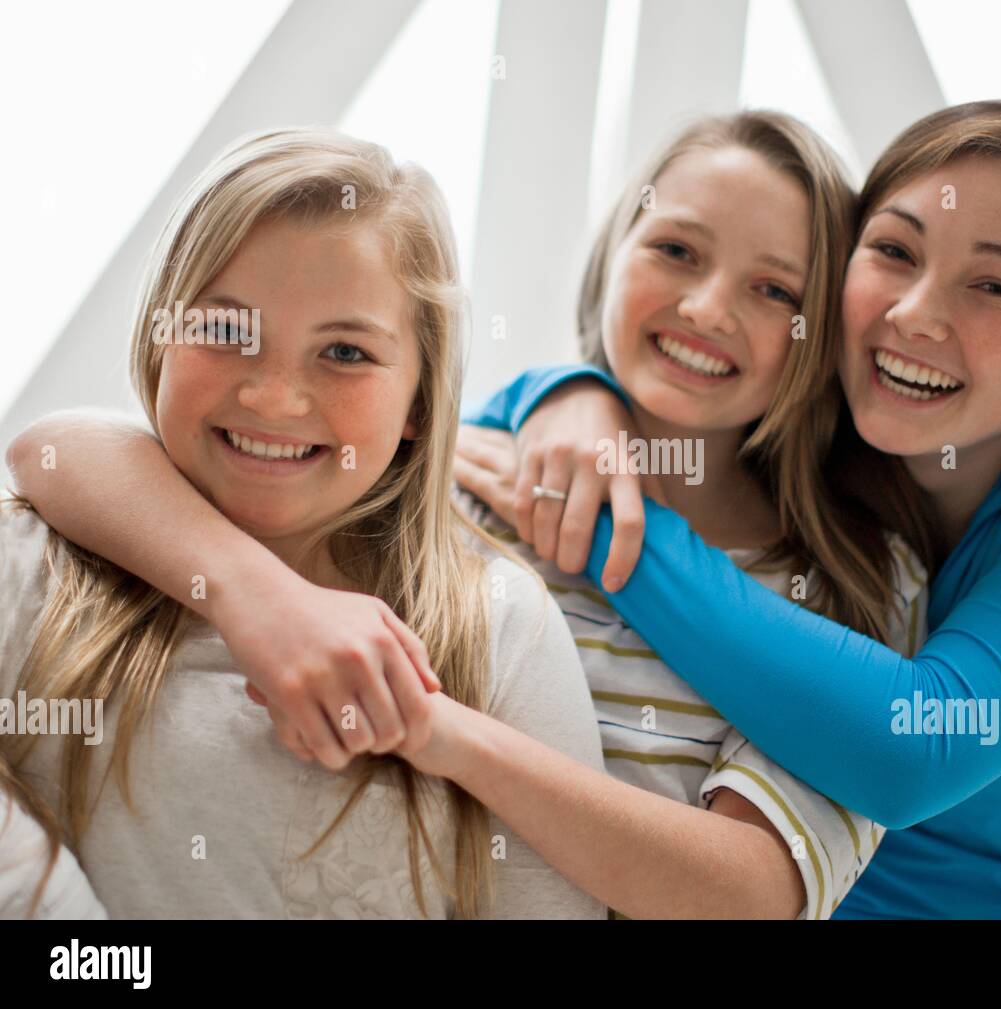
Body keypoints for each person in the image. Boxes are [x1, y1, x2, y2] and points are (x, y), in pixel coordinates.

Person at [457, 100, 1001, 918]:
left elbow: (912, 749)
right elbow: (503, 439)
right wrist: (568, 390)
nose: (914, 314)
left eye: (995, 285)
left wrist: (605, 524)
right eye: (893, 250)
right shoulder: (815, 430)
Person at [1, 127, 605, 919]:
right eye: (224, 331)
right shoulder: (34, 565)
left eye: (346, 352)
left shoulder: (498, 627)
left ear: (421, 402)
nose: (272, 398)